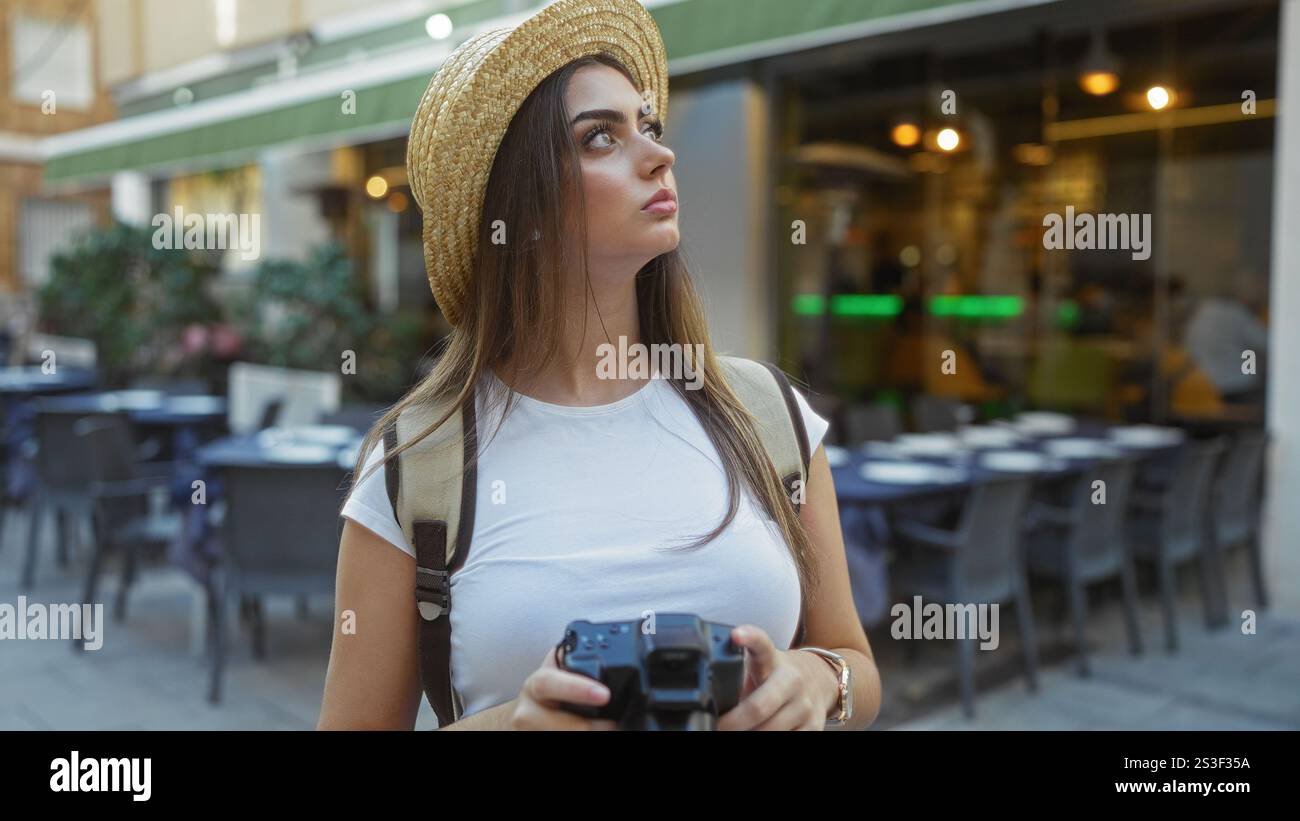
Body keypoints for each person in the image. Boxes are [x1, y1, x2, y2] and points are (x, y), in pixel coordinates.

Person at [318, 0, 880, 731]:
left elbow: (857, 667)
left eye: (647, 125)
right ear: (521, 208)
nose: (659, 152)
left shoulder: (768, 415)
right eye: (600, 137)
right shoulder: (416, 464)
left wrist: (815, 678)